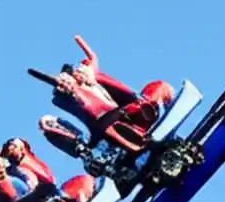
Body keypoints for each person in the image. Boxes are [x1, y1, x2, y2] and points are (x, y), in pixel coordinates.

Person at [38, 35, 176, 149]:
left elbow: (92, 58)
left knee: (157, 89)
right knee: (130, 112)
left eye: (78, 71)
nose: (78, 74)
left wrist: (81, 42)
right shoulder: (69, 95)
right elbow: (61, 96)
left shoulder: (93, 76)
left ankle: (160, 115)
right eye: (71, 76)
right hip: (109, 124)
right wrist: (62, 87)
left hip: (129, 111)